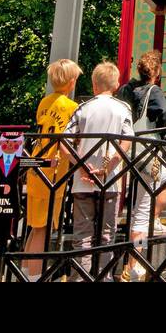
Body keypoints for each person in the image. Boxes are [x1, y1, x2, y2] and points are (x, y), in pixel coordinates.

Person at [61, 62, 134, 275]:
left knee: (82, 237)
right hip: (110, 181)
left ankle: (80, 277)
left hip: (81, 183)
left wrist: (82, 166)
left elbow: (64, 143)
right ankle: (104, 275)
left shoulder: (83, 108)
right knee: (106, 235)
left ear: (94, 85)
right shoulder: (123, 109)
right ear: (116, 85)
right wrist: (109, 165)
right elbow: (127, 140)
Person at [116, 51, 166, 270]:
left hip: (125, 151)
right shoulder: (154, 91)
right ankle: (135, 265)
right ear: (156, 72)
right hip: (146, 152)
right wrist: (165, 135)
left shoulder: (124, 90)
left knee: (138, 202)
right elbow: (165, 115)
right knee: (142, 211)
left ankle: (152, 219)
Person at [23, 59, 82, 280]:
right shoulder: (70, 107)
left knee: (35, 226)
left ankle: (26, 271)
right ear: (71, 82)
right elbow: (66, 143)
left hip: (36, 166)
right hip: (52, 170)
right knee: (43, 228)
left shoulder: (44, 102)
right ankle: (35, 277)